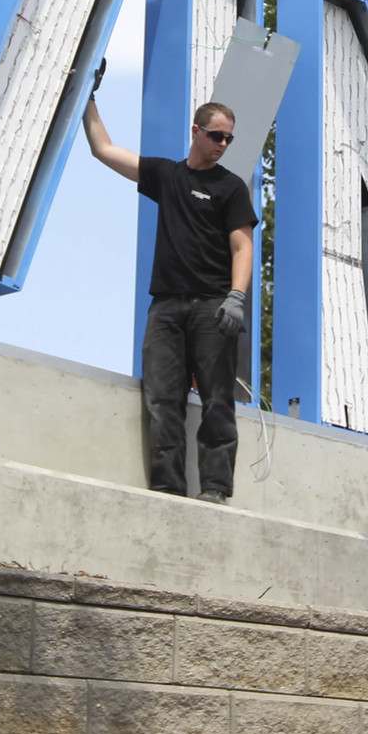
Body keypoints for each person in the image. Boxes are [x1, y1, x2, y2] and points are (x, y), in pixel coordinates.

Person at [82, 64, 256, 504]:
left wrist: (237, 297)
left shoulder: (231, 188)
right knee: (162, 398)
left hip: (213, 308)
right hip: (166, 307)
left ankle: (215, 488)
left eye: (229, 139)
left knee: (217, 400)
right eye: (216, 135)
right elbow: (104, 150)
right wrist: (87, 96)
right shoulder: (167, 175)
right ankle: (167, 487)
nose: (223, 145)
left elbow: (242, 247)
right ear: (196, 131)